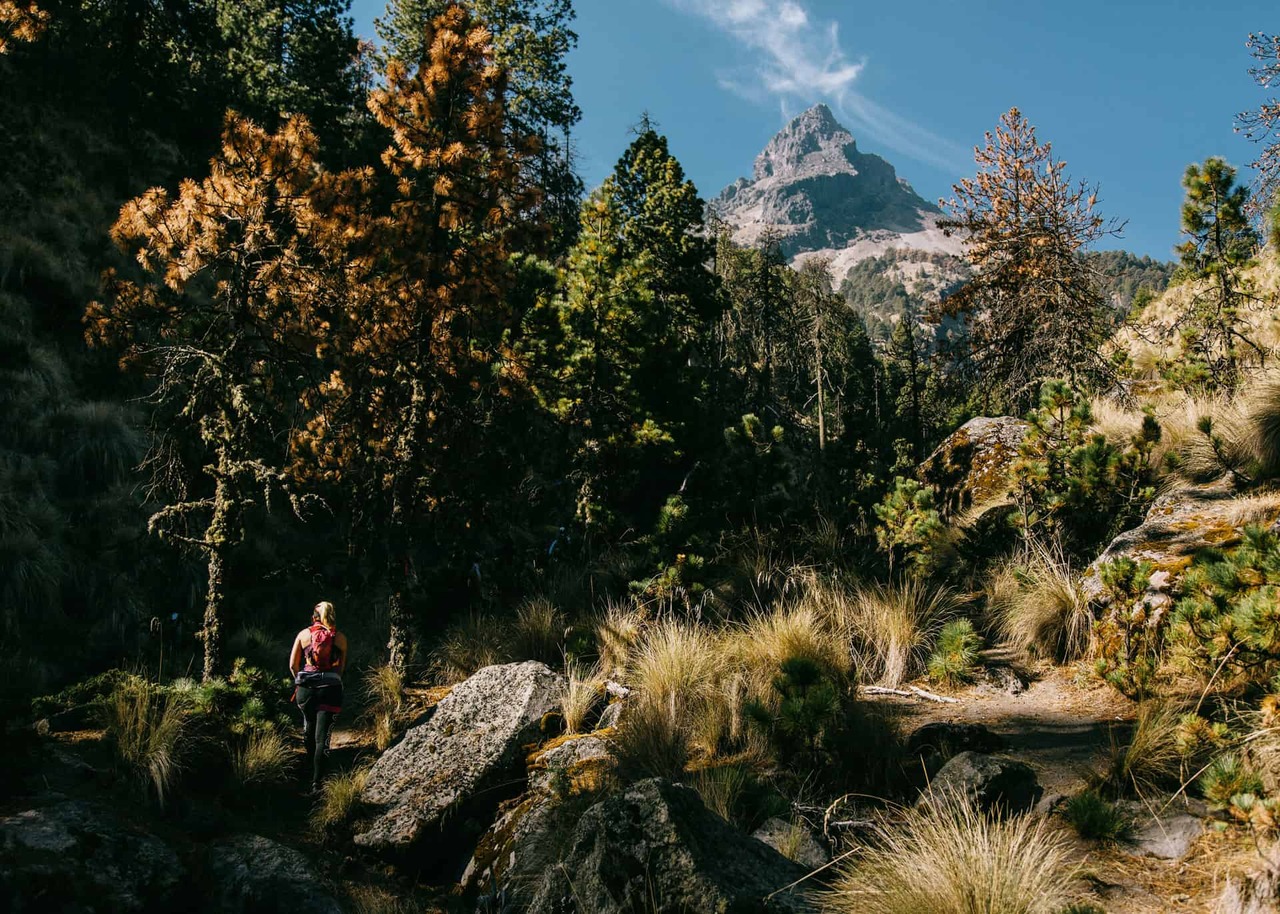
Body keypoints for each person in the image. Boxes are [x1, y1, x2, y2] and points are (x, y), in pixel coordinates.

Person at [289, 601, 347, 793]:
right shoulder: (340, 638)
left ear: (313, 617)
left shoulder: (303, 635)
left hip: (306, 689)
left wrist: (301, 679)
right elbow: (340, 668)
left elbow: (292, 665)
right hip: (330, 689)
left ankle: (309, 763)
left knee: (309, 726)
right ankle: (318, 781)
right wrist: (331, 678)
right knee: (323, 738)